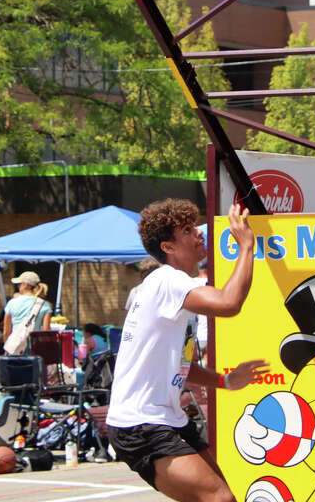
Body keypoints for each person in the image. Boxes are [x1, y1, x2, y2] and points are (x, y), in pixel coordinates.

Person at [107, 199, 269, 500]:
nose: (199, 234)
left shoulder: (169, 287)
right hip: (140, 424)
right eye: (187, 230)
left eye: (195, 226)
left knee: (221, 497)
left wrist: (224, 381)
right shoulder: (169, 280)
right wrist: (246, 247)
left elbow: (179, 366)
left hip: (166, 418)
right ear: (168, 247)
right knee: (221, 498)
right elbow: (228, 303)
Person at [2, 271, 52, 350]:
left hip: (15, 347)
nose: (18, 287)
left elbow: (6, 330)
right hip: (35, 347)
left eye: (19, 284)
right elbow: (46, 332)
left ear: (25, 285)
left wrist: (7, 348)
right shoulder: (44, 305)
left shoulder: (11, 303)